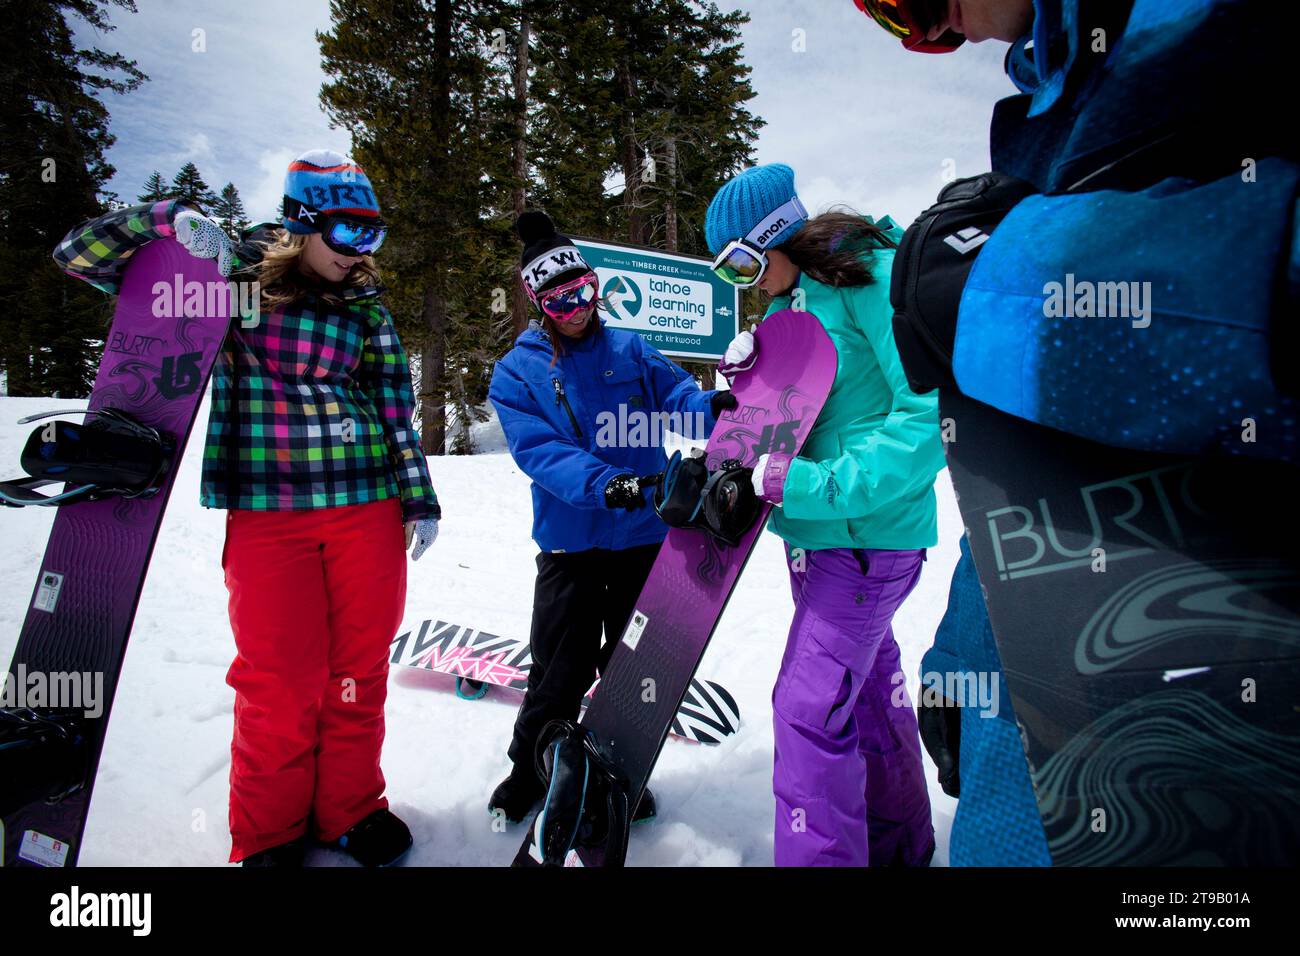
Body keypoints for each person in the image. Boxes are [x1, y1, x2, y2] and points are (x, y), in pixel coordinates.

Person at [854, 0, 1298, 864]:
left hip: (1225, 721)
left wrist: (1007, 293)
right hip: (1040, 715)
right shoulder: (1048, 108)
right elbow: (1027, 466)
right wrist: (963, 653)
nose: (925, 33)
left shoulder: (1219, 31)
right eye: (887, 13)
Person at [53, 149, 442, 867]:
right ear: (302, 223)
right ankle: (269, 834)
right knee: (281, 678)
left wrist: (416, 497)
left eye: (373, 237)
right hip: (269, 512)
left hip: (366, 509)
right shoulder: (232, 285)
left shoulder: (365, 305)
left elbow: (394, 408)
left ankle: (350, 812)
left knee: (357, 672)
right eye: (349, 234)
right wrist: (168, 222)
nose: (362, 254)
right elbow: (80, 257)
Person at [705, 163, 947, 866]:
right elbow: (787, 424)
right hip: (813, 544)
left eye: (743, 264)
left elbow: (925, 415)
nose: (745, 285)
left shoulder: (867, 277)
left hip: (866, 541)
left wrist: (803, 484)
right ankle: (902, 845)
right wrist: (733, 438)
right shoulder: (786, 315)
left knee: (806, 710)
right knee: (866, 694)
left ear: (776, 234)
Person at [486, 210, 736, 824]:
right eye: (559, 298)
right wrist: (610, 485)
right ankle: (528, 770)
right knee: (559, 667)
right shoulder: (516, 373)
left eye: (584, 291)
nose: (576, 306)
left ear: (596, 285)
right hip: (571, 545)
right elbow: (541, 453)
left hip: (642, 541)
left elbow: (678, 399)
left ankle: (619, 768)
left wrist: (719, 409)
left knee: (633, 666)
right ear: (539, 303)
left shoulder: (629, 348)